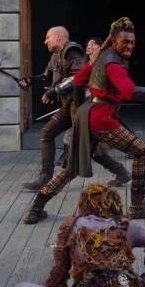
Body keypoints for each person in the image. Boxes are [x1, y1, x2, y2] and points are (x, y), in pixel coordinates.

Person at [23, 17, 145, 224]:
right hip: (101, 118)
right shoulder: (112, 63)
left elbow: (77, 81)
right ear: (114, 41)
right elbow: (130, 91)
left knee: (71, 168)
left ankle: (36, 209)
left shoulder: (101, 57)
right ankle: (138, 206)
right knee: (143, 152)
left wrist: (78, 106)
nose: (129, 46)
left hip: (87, 114)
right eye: (125, 42)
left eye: (132, 42)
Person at [9, 183, 145, 287]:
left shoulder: (71, 226)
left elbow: (58, 276)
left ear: (84, 205)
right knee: (123, 280)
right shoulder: (126, 225)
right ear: (115, 205)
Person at [19, 26, 130, 191]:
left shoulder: (73, 52)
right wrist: (30, 80)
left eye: (48, 37)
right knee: (47, 134)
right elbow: (46, 77)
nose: (45, 41)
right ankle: (45, 177)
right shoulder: (56, 56)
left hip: (81, 107)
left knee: (91, 149)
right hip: (69, 106)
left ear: (58, 37)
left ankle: (123, 170)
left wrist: (55, 90)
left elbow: (77, 77)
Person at [55, 35, 104, 167]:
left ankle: (69, 162)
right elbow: (78, 77)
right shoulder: (86, 63)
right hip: (85, 103)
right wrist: (64, 85)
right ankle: (69, 161)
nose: (89, 46)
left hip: (99, 104)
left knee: (94, 140)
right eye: (88, 44)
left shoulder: (103, 62)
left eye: (93, 44)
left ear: (100, 47)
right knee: (77, 135)